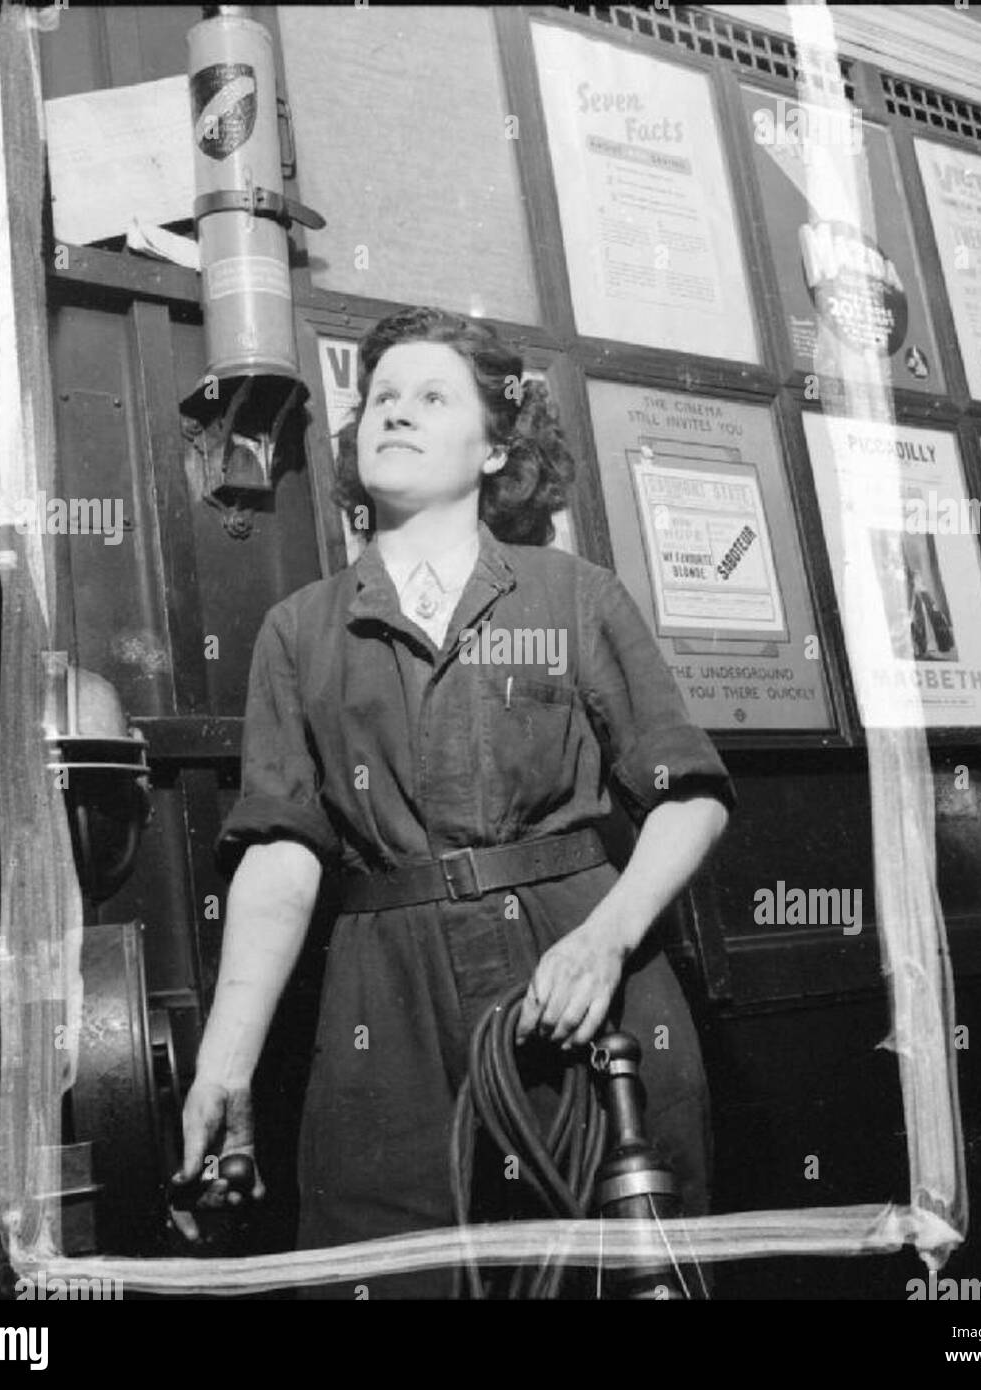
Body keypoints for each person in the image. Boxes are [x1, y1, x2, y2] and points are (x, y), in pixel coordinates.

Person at [172, 305, 736, 1297]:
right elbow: (282, 852)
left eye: (432, 397)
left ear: (495, 449)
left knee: (623, 1273)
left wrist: (604, 942)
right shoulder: (298, 631)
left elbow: (689, 798)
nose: (394, 412)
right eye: (381, 397)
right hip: (383, 1009)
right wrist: (226, 1059)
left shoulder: (575, 597)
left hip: (579, 980)